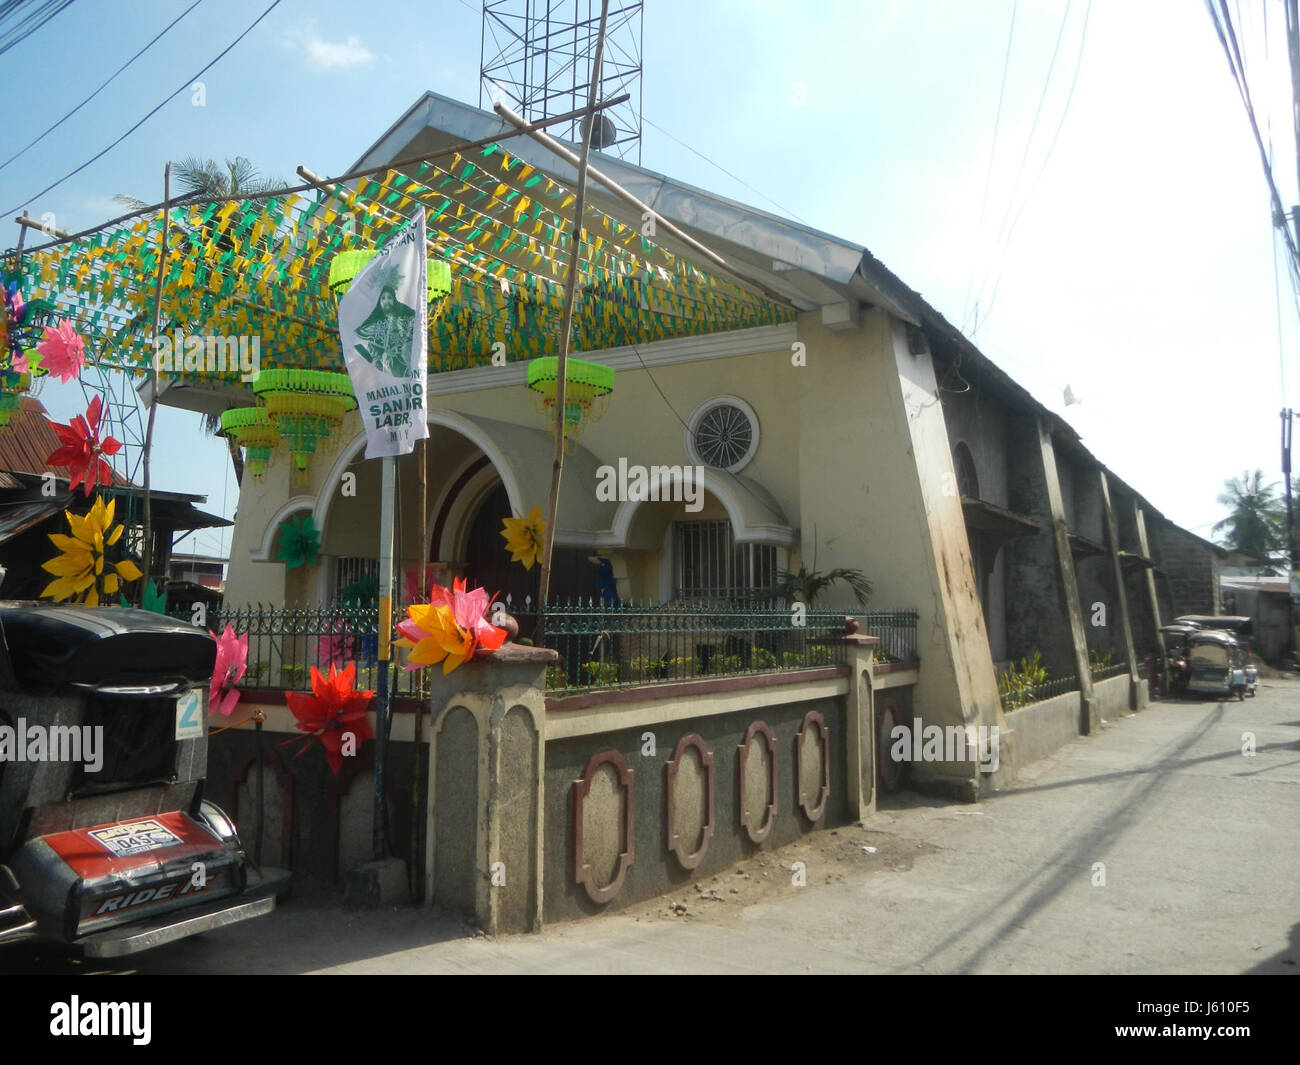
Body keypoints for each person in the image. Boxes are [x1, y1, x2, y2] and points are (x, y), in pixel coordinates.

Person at [355, 285, 416, 377]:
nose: (386, 301)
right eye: (383, 298)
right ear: (379, 302)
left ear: (394, 300)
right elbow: (357, 343)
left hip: (405, 368)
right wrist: (372, 360)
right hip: (383, 372)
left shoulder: (404, 321)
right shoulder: (374, 325)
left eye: (389, 298)